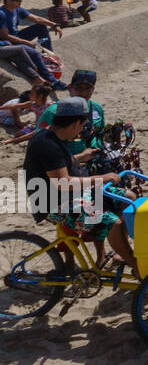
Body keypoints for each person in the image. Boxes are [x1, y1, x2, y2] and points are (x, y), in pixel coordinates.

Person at [25, 97, 138, 274]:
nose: (82, 130)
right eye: (82, 125)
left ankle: (118, 249)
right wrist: (101, 178)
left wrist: (80, 157)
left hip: (74, 193)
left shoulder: (54, 135)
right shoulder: (48, 144)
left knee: (128, 197)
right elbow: (63, 182)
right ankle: (135, 265)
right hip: (54, 203)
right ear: (76, 122)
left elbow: (57, 165)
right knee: (113, 223)